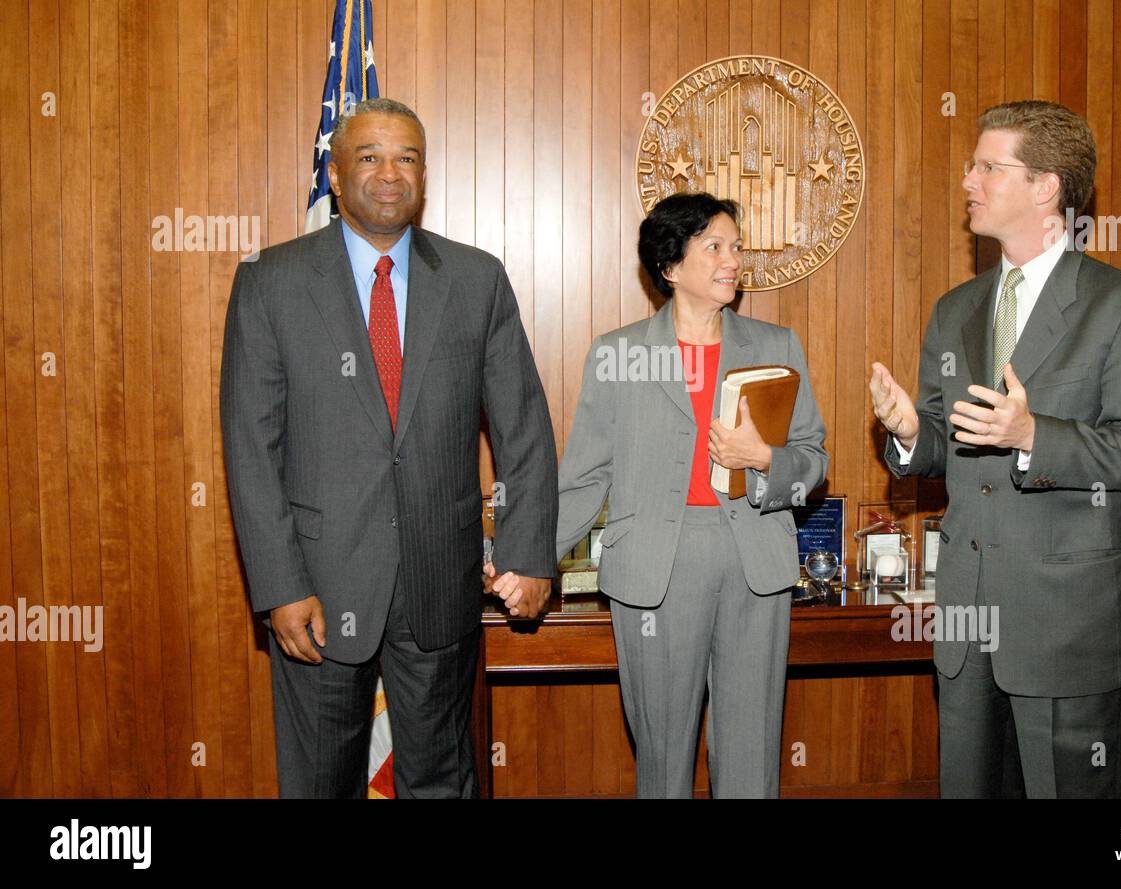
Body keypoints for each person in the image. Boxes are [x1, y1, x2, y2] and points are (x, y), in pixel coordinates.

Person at [220, 97, 557, 798]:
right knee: (320, 784)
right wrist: (280, 586)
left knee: (441, 781)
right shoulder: (270, 280)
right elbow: (252, 446)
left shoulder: (476, 279)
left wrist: (527, 552)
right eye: (369, 157)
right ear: (336, 175)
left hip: (441, 586)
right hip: (317, 589)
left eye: (406, 158)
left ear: (424, 175)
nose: (389, 174)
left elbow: (524, 426)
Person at [869, 100, 1121, 798]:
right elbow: (947, 439)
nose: (968, 180)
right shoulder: (956, 308)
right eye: (971, 165)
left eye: (987, 166)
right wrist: (911, 431)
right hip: (968, 627)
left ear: (1046, 187)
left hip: (1067, 632)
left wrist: (1035, 435)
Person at [492, 192, 827, 798]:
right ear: (670, 267)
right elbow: (586, 477)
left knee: (753, 754)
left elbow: (813, 461)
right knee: (663, 754)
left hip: (757, 562)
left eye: (735, 246)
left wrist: (765, 461)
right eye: (715, 247)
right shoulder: (618, 354)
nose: (733, 260)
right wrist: (528, 555)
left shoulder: (777, 346)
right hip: (655, 570)